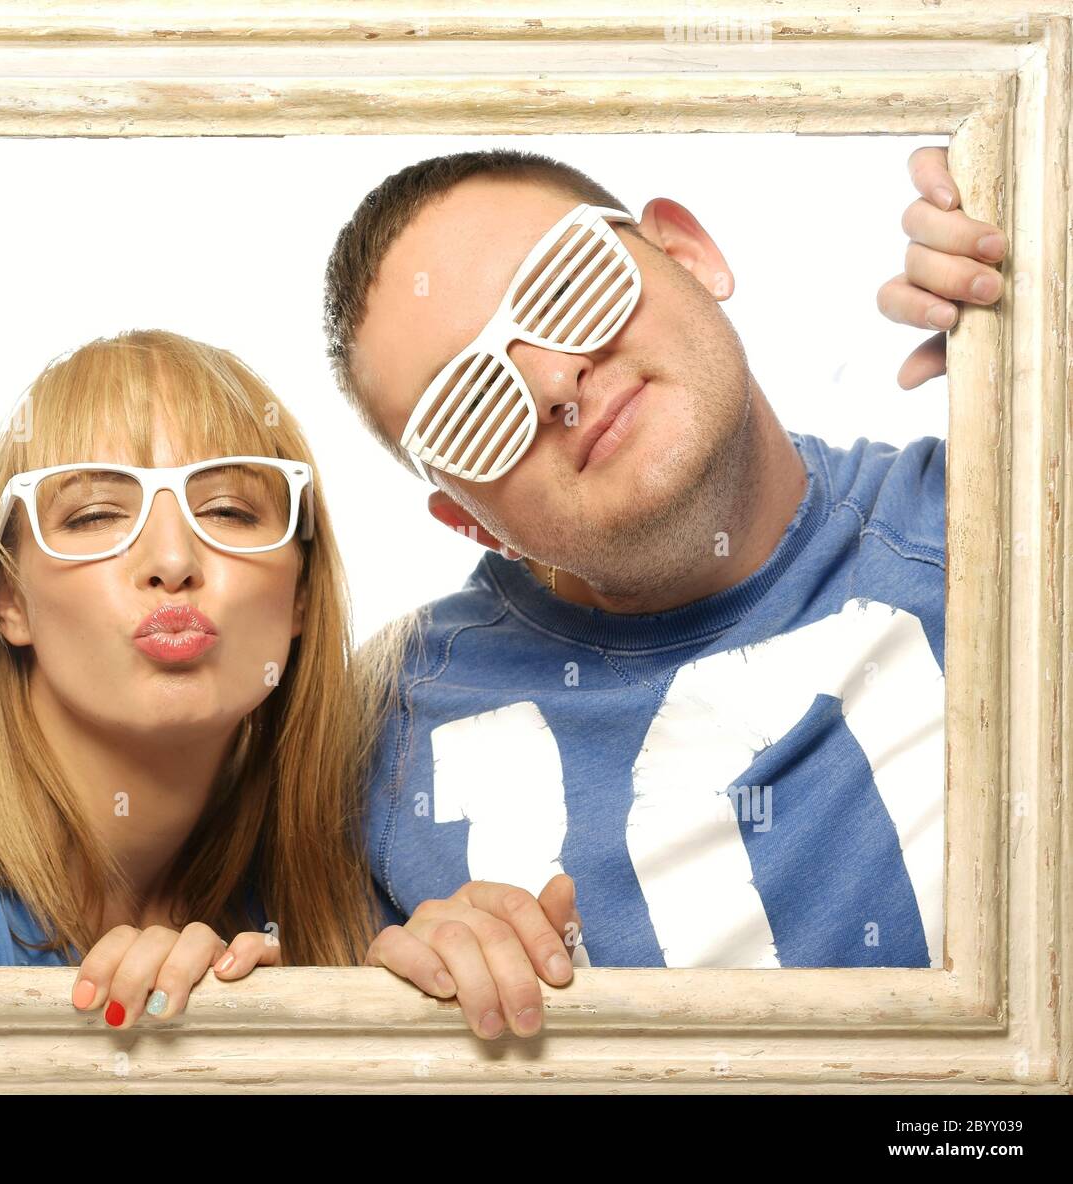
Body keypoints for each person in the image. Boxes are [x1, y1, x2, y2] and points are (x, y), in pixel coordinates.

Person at [321, 146, 1009, 1031]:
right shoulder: (371, 746)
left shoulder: (1000, 525)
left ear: (690, 256)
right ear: (468, 520)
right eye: (471, 407)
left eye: (567, 286)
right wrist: (396, 1005)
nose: (554, 381)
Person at [0, 329, 391, 1029]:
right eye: (96, 514)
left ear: (302, 595)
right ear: (8, 601)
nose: (171, 559)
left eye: (228, 509)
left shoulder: (335, 871)